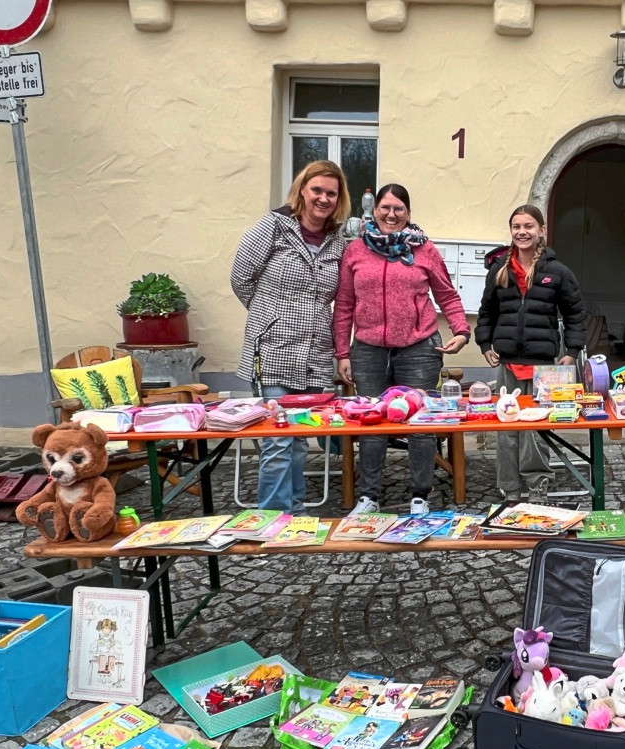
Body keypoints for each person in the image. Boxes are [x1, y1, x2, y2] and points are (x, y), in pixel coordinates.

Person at [334, 184, 470, 515]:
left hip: (418, 348)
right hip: (368, 349)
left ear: (408, 213)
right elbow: (344, 304)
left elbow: (447, 294)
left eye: (398, 209)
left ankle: (420, 494)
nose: (391, 214)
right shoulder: (355, 251)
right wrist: (342, 352)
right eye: (385, 207)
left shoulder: (424, 250)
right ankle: (369, 496)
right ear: (374, 210)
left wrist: (462, 331)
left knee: (421, 422)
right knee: (371, 423)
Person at [232, 160, 350, 512]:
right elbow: (241, 279)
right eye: (317, 190)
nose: (323, 198)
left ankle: (294, 506)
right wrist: (272, 314)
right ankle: (273, 515)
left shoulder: (339, 241)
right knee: (278, 439)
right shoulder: (273, 226)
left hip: (315, 352)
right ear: (302, 190)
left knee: (300, 438)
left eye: (331, 193)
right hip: (274, 350)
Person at [476, 205, 586, 503]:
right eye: (516, 227)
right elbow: (486, 312)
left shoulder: (557, 271)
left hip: (543, 367)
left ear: (541, 231)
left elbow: (575, 313)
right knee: (507, 426)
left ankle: (537, 484)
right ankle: (509, 487)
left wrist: (572, 351)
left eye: (528, 226)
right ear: (511, 231)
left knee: (536, 429)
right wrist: (485, 345)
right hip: (508, 364)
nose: (522, 232)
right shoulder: (499, 269)